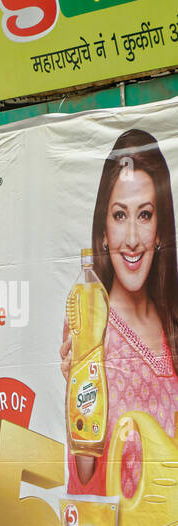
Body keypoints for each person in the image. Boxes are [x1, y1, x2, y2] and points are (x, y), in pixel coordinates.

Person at [60, 128, 178, 497]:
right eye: (119, 215)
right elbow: (83, 473)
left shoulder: (173, 319)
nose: (131, 238)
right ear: (104, 231)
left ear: (159, 231)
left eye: (144, 215)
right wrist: (76, 389)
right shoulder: (90, 314)